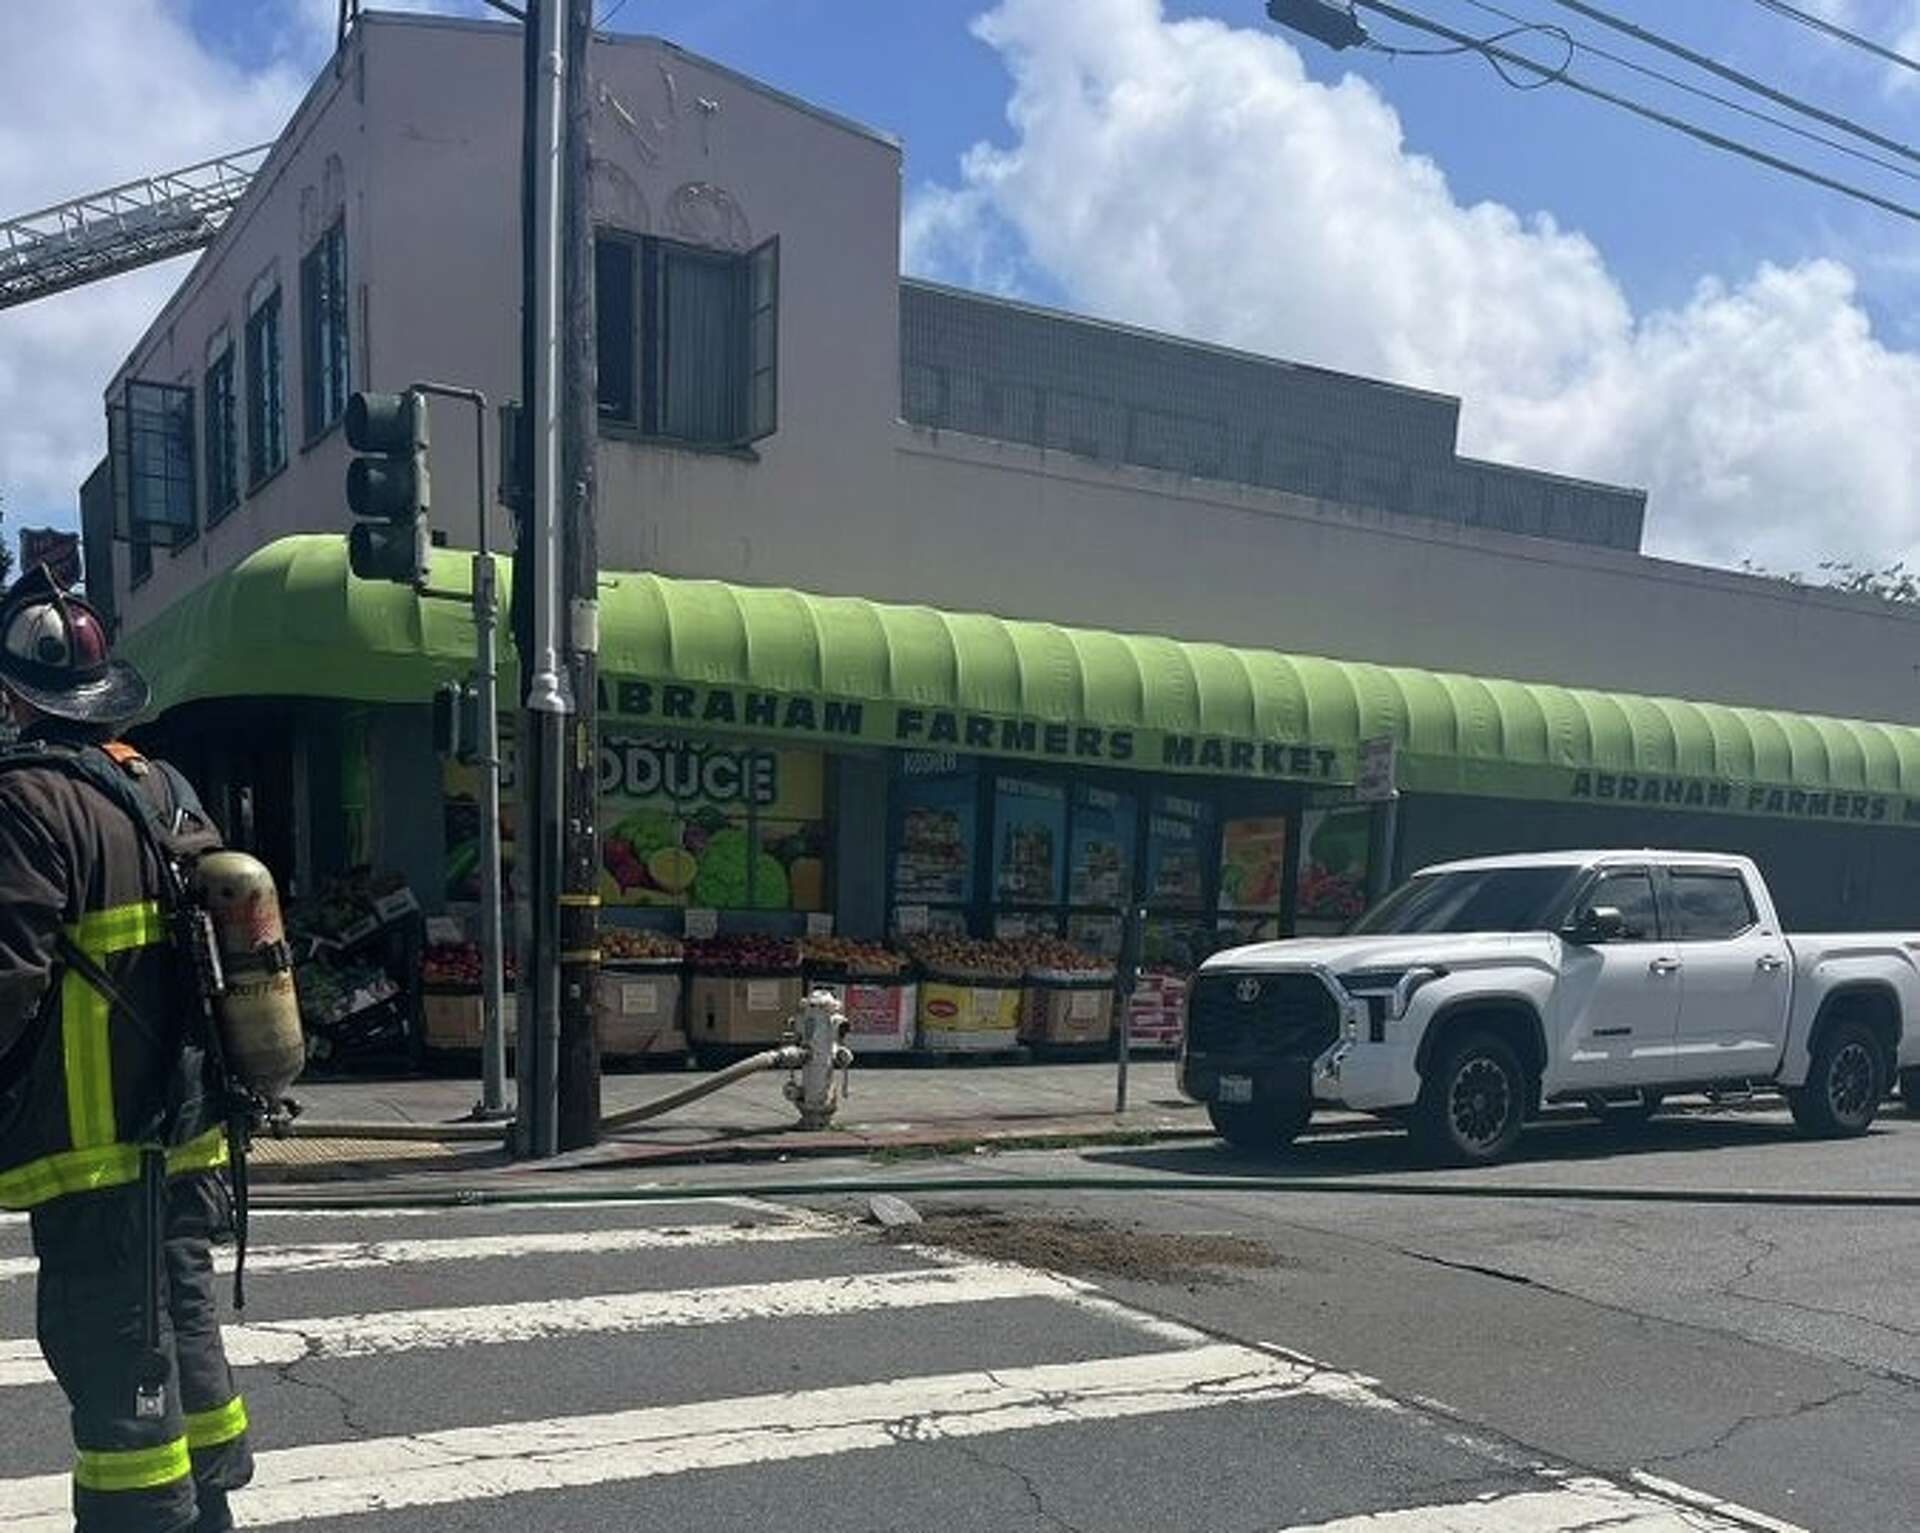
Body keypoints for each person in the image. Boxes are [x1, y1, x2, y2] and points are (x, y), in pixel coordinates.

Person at [0, 566, 252, 1533]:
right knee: (183, 1326)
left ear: (17, 694)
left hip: (93, 1148)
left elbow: (7, 981)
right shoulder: (170, 791)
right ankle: (211, 1504)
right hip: (187, 1133)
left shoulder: (26, 801)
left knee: (113, 1362)